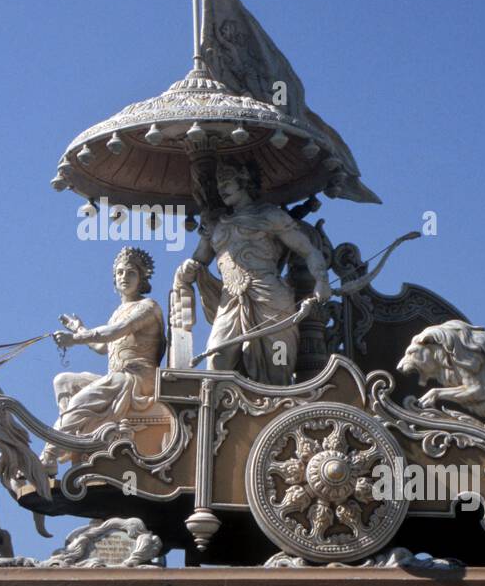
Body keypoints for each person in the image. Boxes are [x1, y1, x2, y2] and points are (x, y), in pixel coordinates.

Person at [174, 160, 330, 385]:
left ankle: (278, 412)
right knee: (217, 359)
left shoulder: (269, 215)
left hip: (270, 297)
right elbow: (199, 259)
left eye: (227, 183)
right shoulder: (217, 224)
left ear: (244, 182)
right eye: (219, 185)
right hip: (230, 300)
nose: (222, 189)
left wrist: (322, 281)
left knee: (278, 362)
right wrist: (186, 271)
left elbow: (308, 250)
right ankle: (216, 414)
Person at [41, 247, 165, 472]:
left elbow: (118, 330)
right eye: (119, 273)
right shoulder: (118, 310)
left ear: (142, 278)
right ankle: (76, 439)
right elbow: (102, 346)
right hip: (116, 376)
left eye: (130, 273)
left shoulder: (148, 306)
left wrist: (76, 338)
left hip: (138, 377)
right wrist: (78, 327)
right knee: (63, 381)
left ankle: (49, 456)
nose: (124, 278)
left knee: (79, 401)